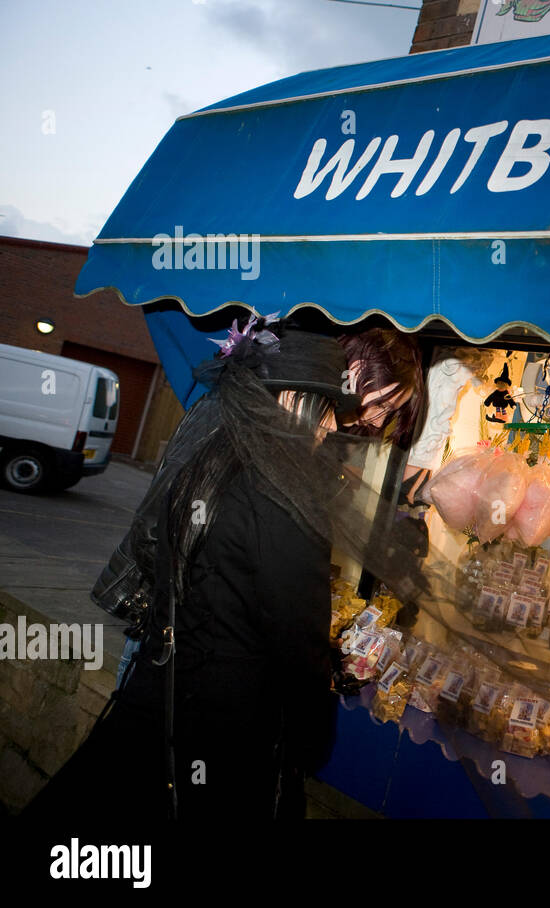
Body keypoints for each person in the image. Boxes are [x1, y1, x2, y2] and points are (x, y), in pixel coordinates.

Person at [26, 322, 362, 819]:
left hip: (160, 698)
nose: (332, 427)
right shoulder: (288, 500)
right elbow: (299, 648)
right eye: (328, 408)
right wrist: (311, 741)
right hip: (226, 730)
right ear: (293, 400)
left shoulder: (210, 459)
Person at [90, 324, 424, 690]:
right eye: (383, 404)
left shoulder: (309, 428)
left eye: (390, 413)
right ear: (355, 368)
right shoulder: (243, 407)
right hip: (167, 624)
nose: (378, 420)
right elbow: (158, 523)